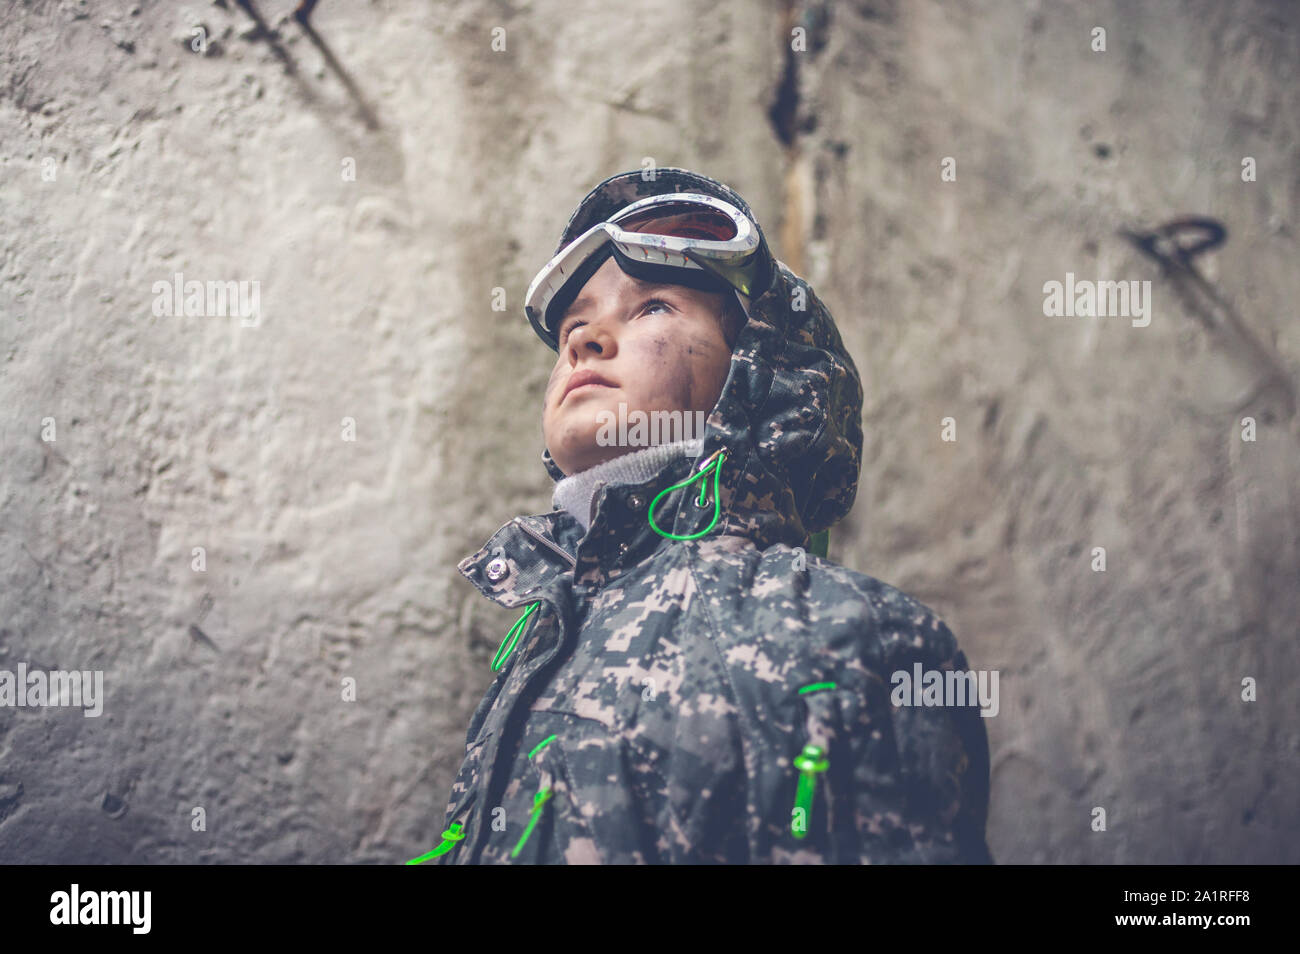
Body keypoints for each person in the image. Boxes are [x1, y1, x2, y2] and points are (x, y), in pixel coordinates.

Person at [415, 167, 993, 864]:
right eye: (574, 323)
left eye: (651, 306)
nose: (584, 340)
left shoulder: (855, 637)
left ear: (759, 371)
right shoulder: (540, 642)